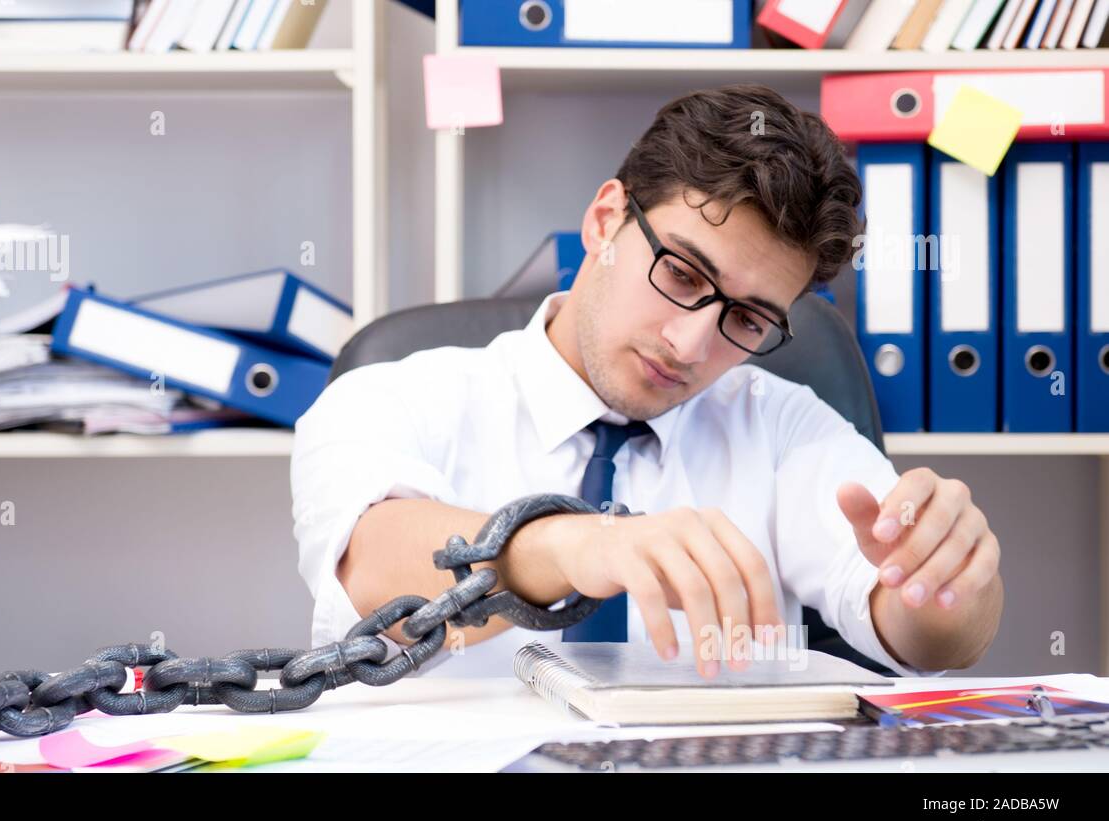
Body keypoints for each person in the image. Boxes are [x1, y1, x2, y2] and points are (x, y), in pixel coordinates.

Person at [290, 84, 1003, 680]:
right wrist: (581, 546)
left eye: (748, 320)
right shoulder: (390, 397)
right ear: (605, 221)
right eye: (683, 275)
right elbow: (370, 569)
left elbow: (924, 629)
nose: (690, 343)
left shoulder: (787, 427)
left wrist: (947, 584)